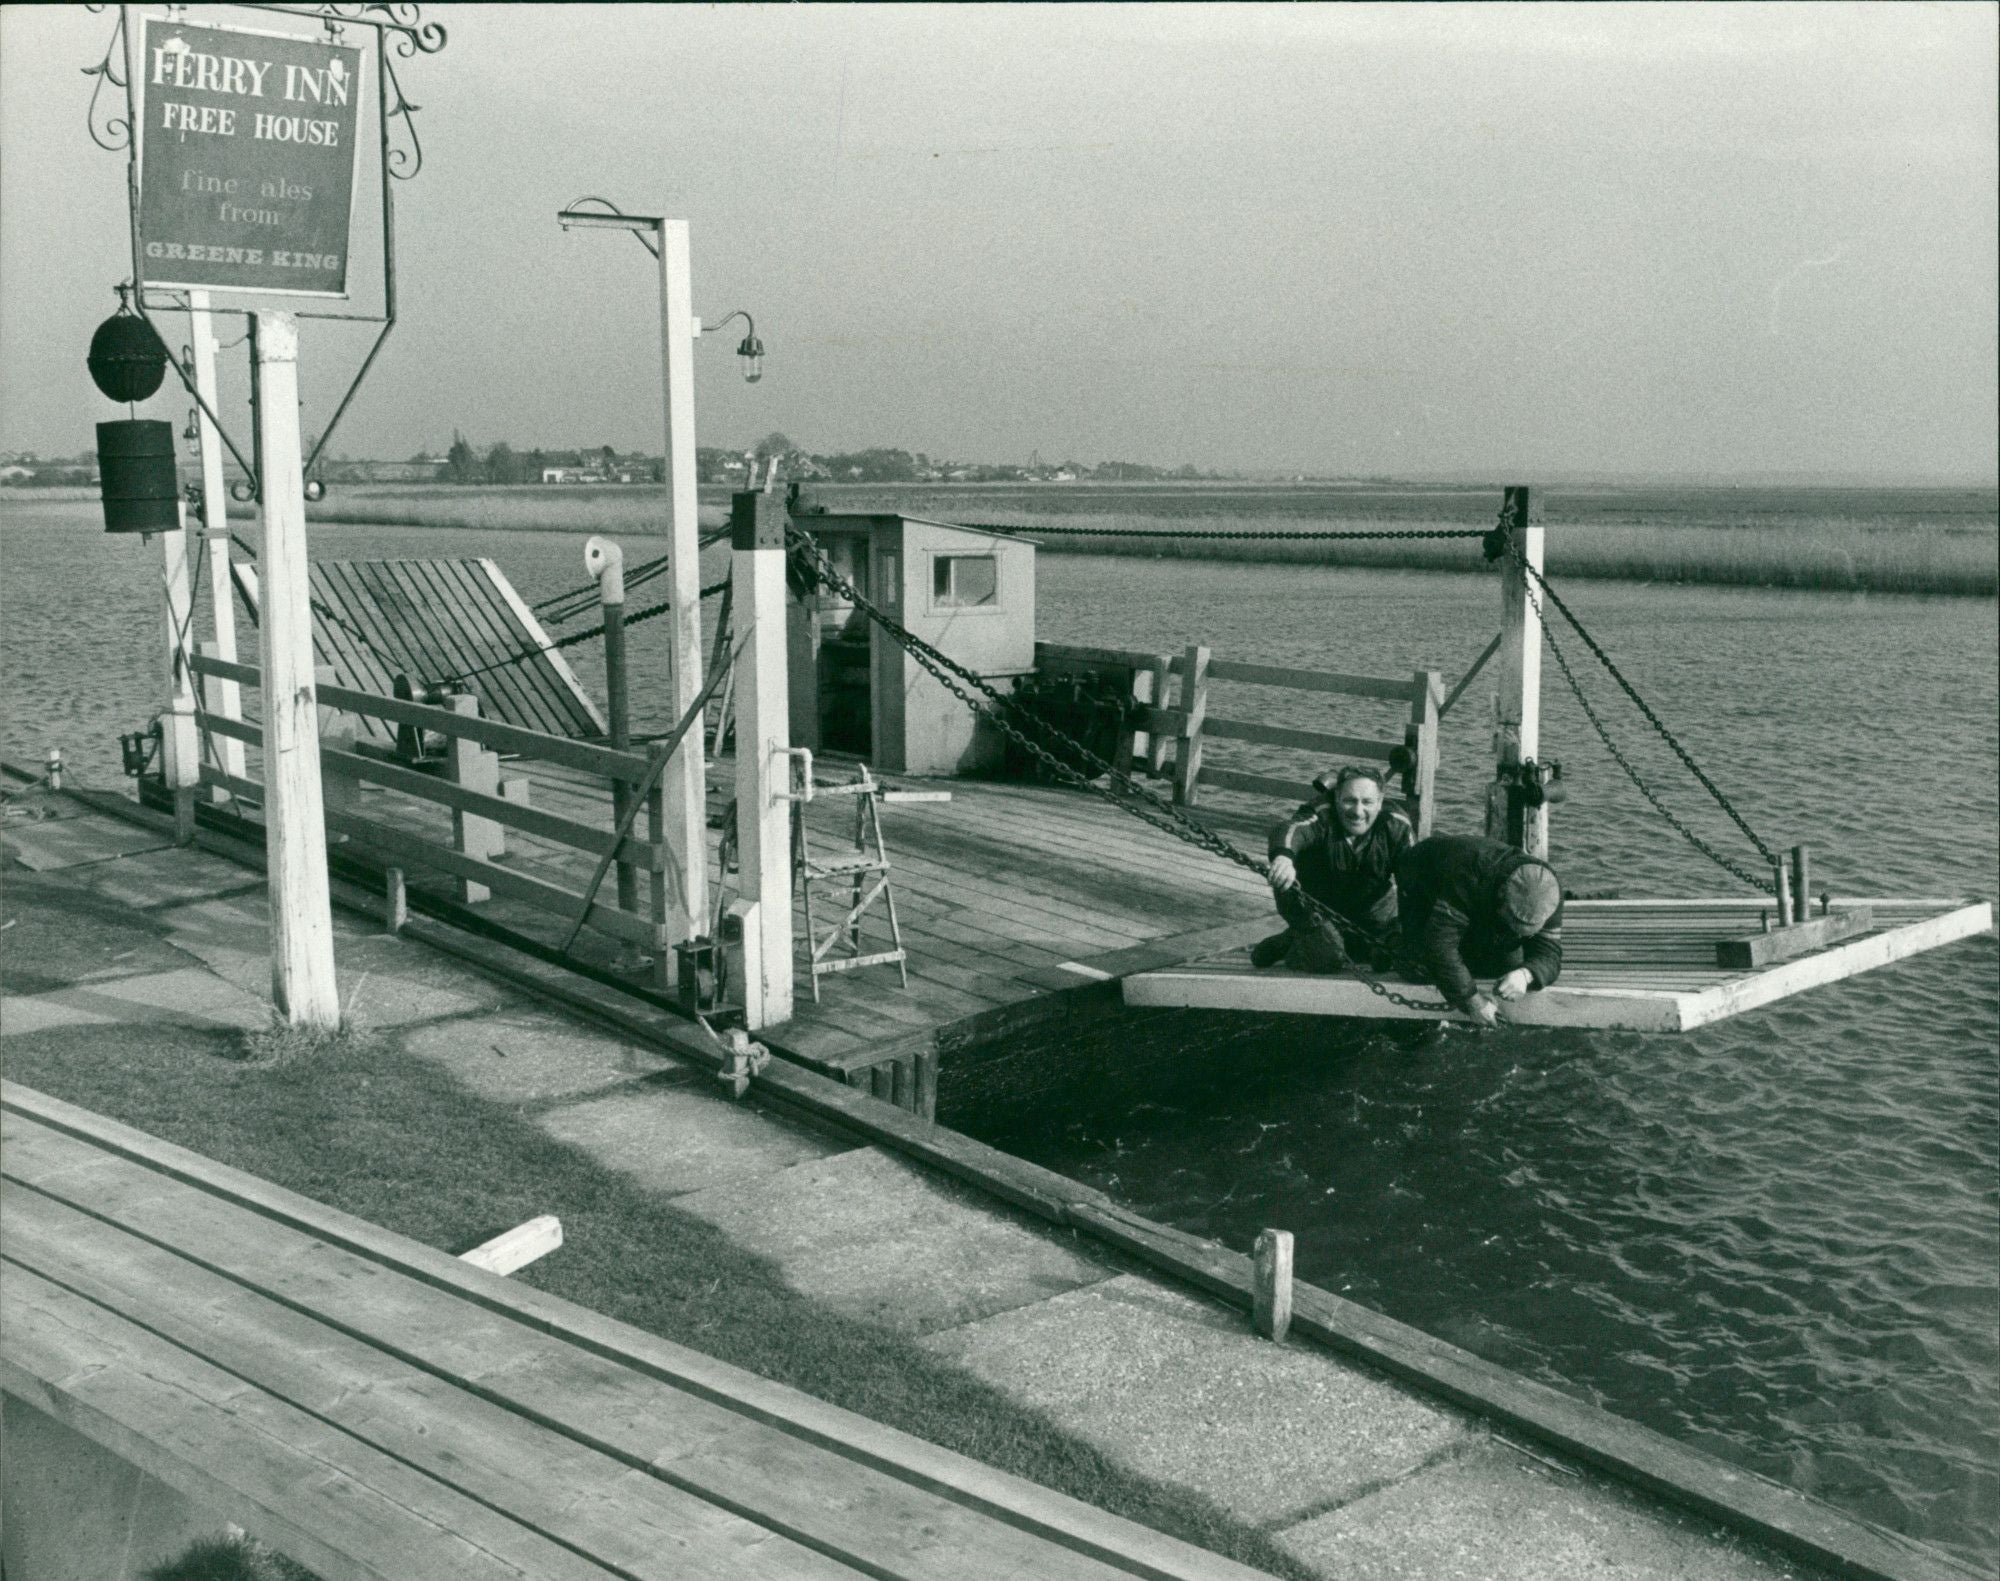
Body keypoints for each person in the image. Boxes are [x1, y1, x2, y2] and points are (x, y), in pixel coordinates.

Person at [1252, 765, 1414, 973]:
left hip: (1371, 910)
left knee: (1399, 949)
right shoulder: (1320, 814)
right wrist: (1283, 858)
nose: (1357, 811)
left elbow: (1414, 876)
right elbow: (1289, 829)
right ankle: (1293, 942)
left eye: (1367, 802)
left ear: (1380, 802)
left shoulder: (1397, 825)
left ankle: (1362, 943)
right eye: (1349, 801)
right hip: (1316, 907)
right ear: (1336, 797)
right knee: (1329, 959)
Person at [1393, 835, 1563, 1027]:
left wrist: (1526, 974)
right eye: (1515, 924)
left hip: (1479, 898)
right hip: (1423, 880)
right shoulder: (1467, 878)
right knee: (1419, 968)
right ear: (1501, 897)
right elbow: (1440, 947)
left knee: (1508, 965)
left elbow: (1550, 954)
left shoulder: (1549, 887)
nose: (1520, 933)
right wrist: (1472, 1002)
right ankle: (1394, 939)